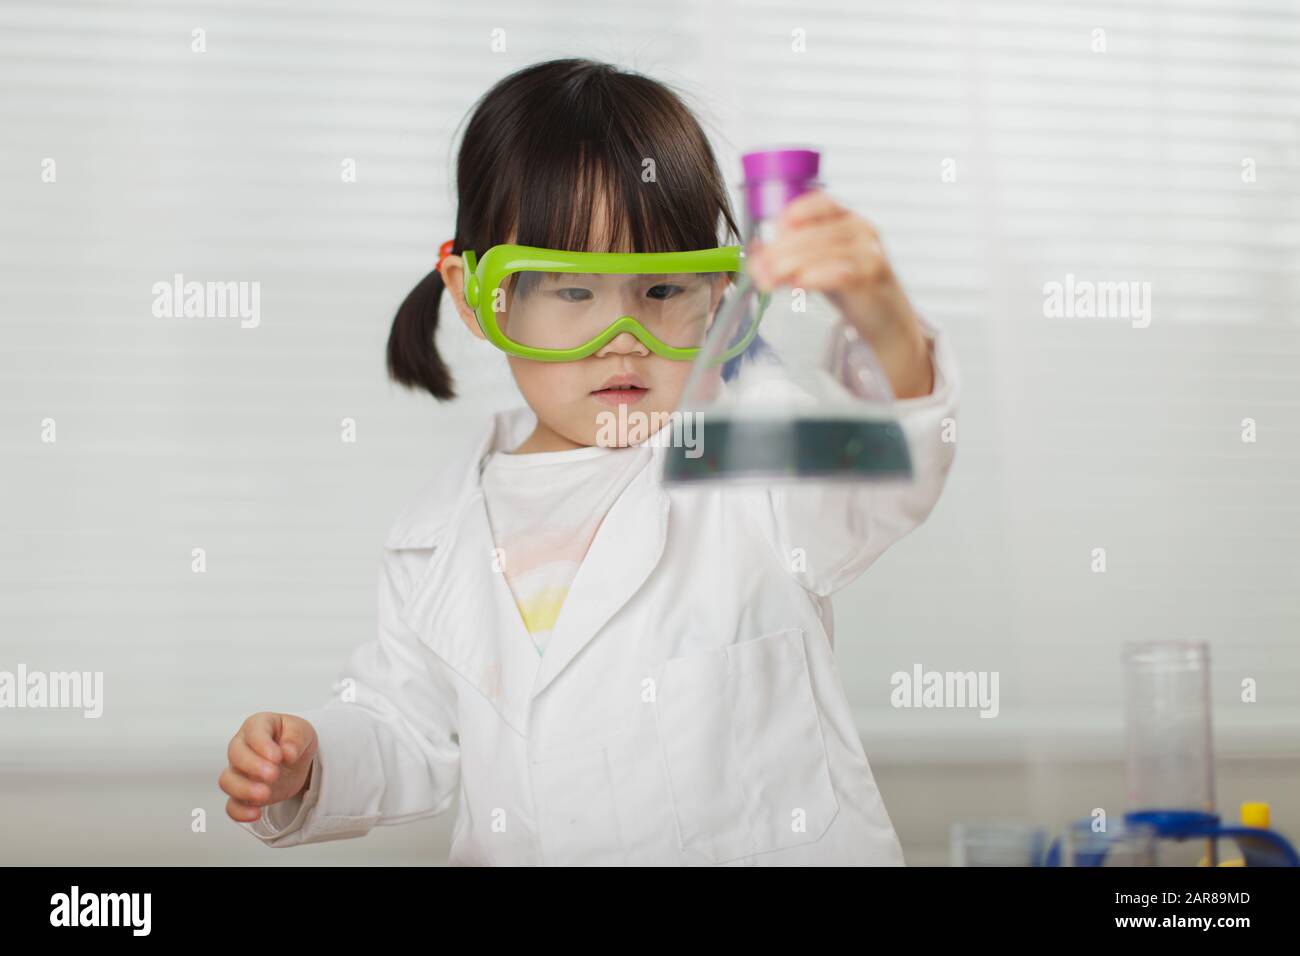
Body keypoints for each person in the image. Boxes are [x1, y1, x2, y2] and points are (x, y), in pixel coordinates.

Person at [218, 57, 960, 865]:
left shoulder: (745, 447)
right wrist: (312, 759)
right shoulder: (435, 535)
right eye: (573, 292)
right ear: (477, 298)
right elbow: (405, 728)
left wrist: (881, 313)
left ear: (716, 295)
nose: (623, 337)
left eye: (662, 290)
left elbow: (889, 469)